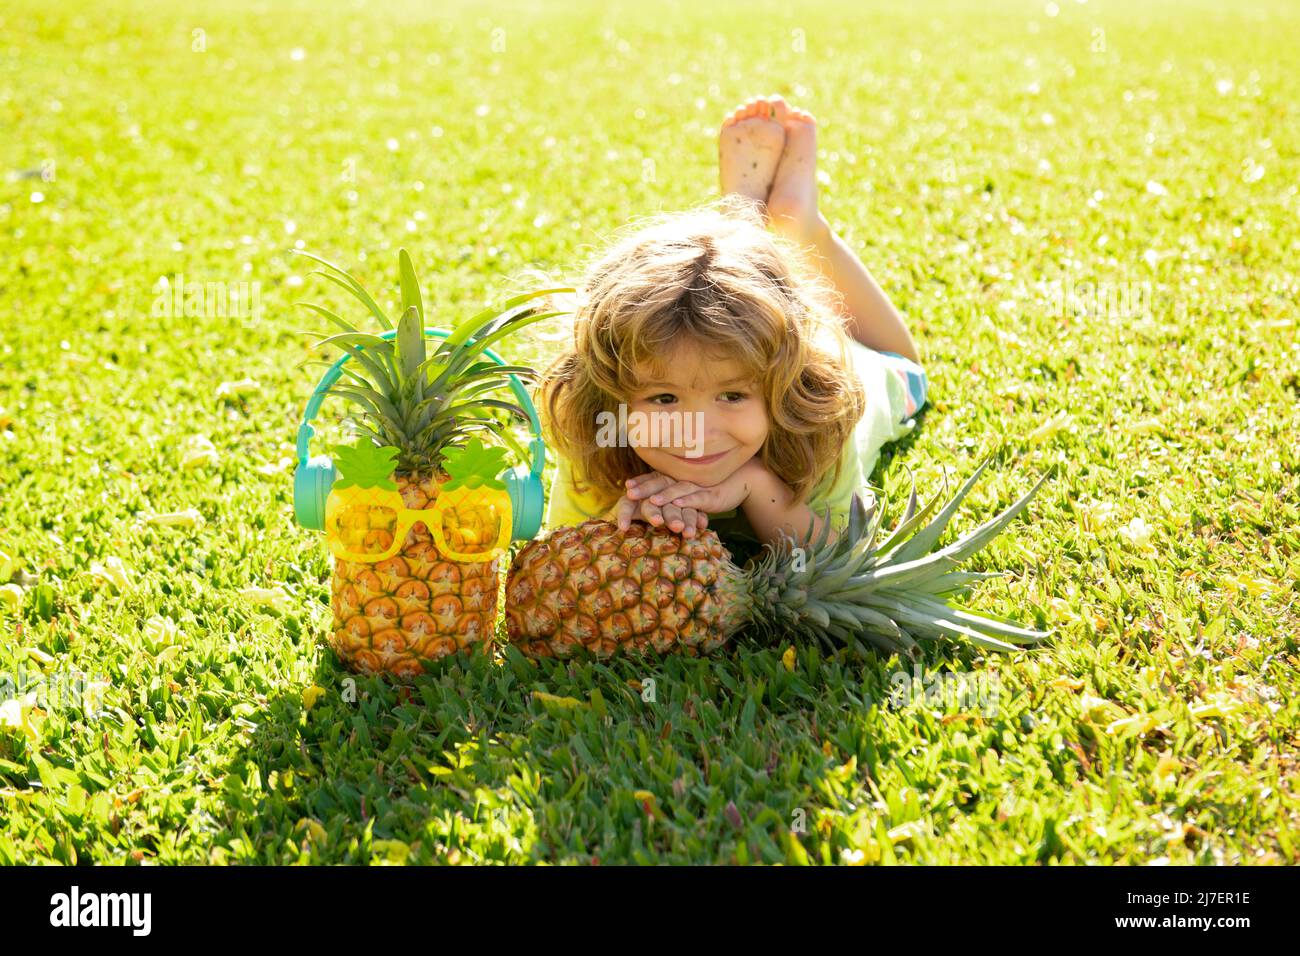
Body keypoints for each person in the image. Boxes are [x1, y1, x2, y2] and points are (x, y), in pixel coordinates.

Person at [536, 95, 928, 553]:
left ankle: (800, 227)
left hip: (863, 364)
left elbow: (846, 557)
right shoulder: (598, 433)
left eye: (733, 395)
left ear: (783, 387)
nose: (698, 431)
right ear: (609, 392)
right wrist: (620, 523)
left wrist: (757, 486)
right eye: (663, 397)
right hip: (751, 336)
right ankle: (745, 222)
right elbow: (558, 552)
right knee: (743, 310)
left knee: (908, 370)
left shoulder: (823, 416)